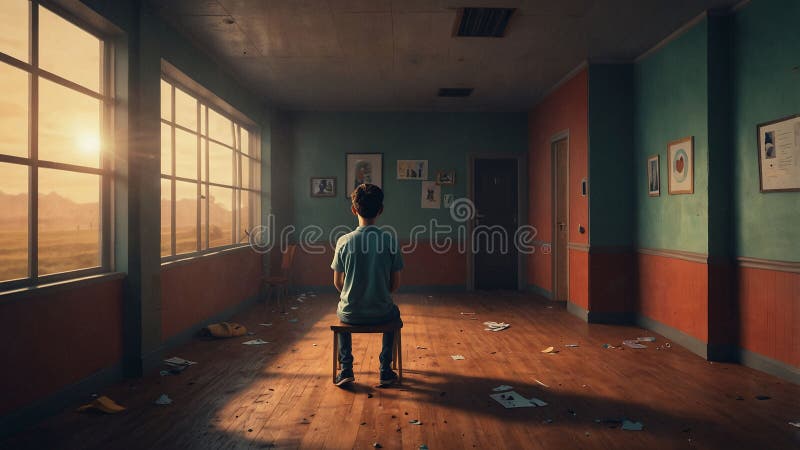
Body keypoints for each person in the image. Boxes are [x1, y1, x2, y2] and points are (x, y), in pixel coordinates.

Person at [331, 184, 403, 386]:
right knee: (394, 312)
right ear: (380, 210)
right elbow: (395, 284)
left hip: (351, 313)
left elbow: (338, 283)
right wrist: (379, 293)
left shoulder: (343, 241)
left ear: (354, 210)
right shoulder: (389, 240)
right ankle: (385, 370)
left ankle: (346, 369)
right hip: (381, 312)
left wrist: (353, 293)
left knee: (341, 311)